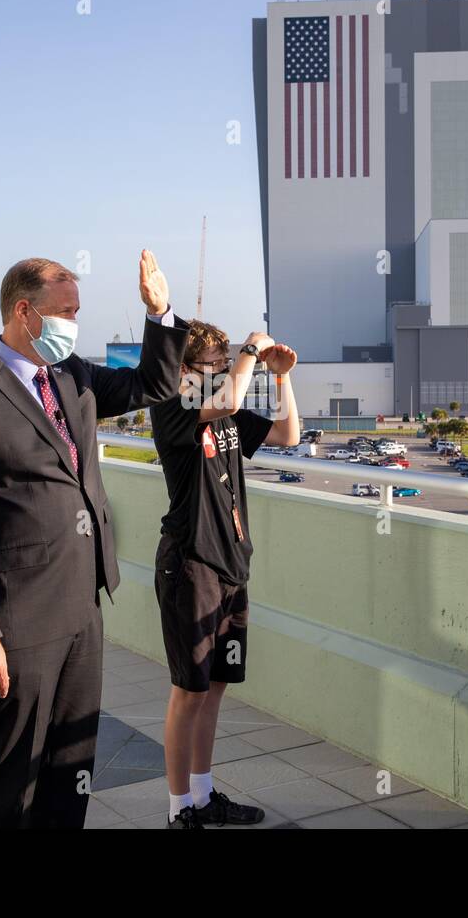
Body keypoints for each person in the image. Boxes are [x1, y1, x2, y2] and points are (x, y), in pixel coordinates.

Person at [0, 251, 189, 828]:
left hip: (81, 605)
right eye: (66, 311)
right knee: (10, 771)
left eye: (77, 311)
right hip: (15, 617)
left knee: (70, 764)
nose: (74, 323)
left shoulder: (73, 375)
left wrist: (160, 311)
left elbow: (156, 383)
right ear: (25, 312)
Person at [149, 320, 299, 828]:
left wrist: (280, 377)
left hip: (232, 565)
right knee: (188, 690)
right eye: (209, 365)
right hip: (190, 564)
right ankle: (178, 809)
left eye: (220, 364)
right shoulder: (174, 406)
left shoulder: (227, 418)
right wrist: (251, 351)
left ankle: (203, 793)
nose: (217, 373)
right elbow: (231, 397)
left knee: (215, 687)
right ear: (184, 369)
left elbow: (288, 433)